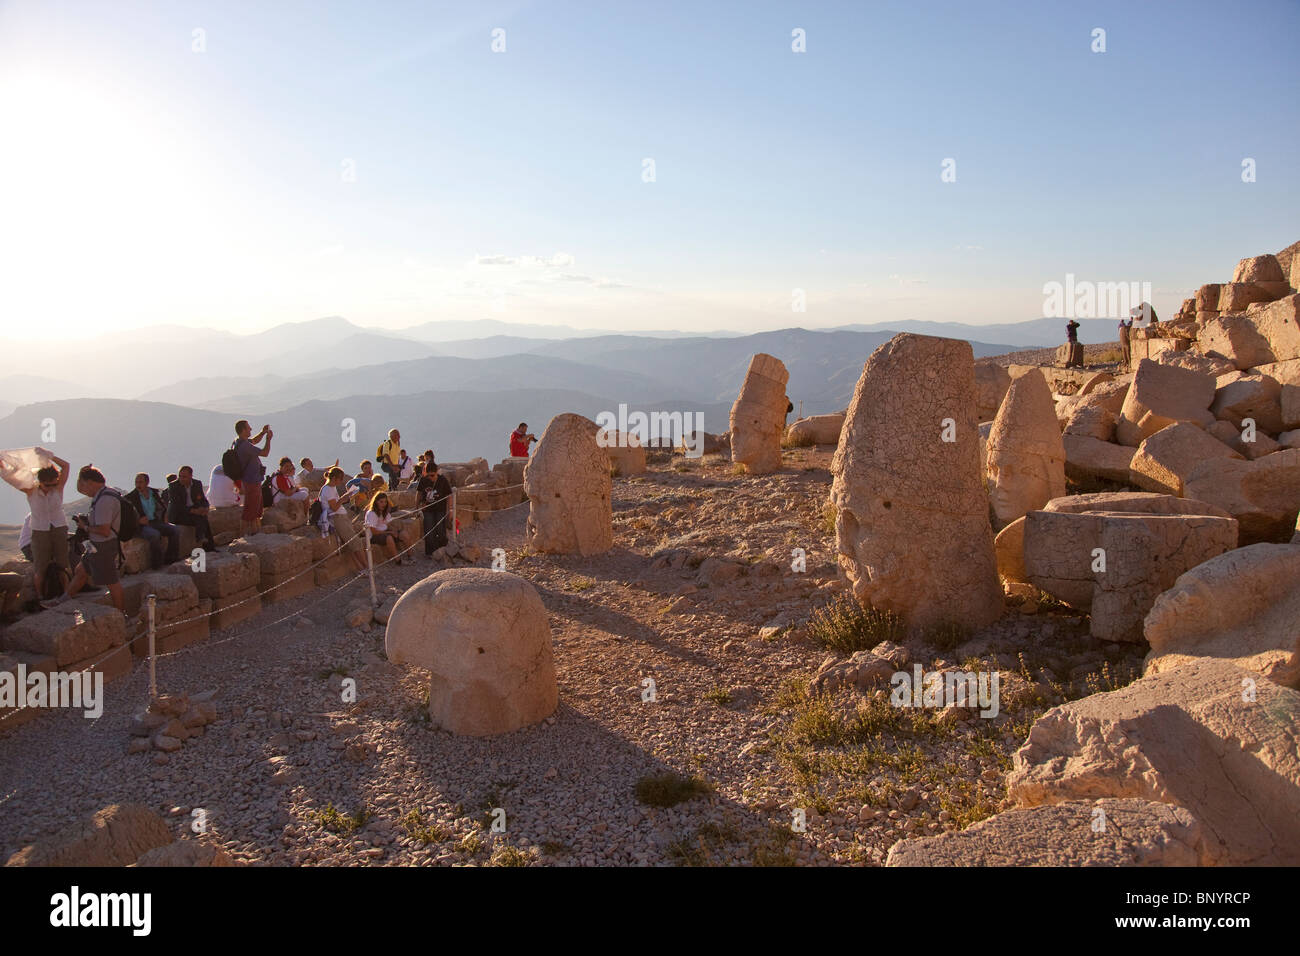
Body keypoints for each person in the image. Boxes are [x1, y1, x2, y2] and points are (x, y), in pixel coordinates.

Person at [49, 465, 125, 613]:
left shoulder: (104, 501)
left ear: (90, 482)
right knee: (81, 570)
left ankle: (122, 615)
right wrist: (80, 474)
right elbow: (81, 489)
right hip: (96, 545)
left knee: (111, 582)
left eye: (84, 484)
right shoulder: (105, 493)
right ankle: (62, 601)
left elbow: (104, 530)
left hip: (103, 546)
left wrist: (85, 527)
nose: (83, 489)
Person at [1, 446, 71, 600]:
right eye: (48, 485)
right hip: (39, 530)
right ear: (40, 482)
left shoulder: (59, 487)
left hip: (58, 527)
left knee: (62, 563)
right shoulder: (31, 490)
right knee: (41, 565)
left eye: (54, 484)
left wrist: (49, 456)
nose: (51, 488)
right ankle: (41, 597)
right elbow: (9, 477)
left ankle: (66, 593)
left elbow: (66, 466)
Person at [126, 472, 180, 569]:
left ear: (147, 482)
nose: (138, 485)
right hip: (141, 526)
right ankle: (157, 564)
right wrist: (138, 520)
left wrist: (164, 516)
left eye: (140, 482)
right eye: (136, 482)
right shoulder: (130, 498)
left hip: (155, 522)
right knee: (154, 535)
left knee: (175, 530)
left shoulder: (154, 493)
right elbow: (127, 517)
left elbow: (162, 507)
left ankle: (171, 558)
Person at [320, 467, 368, 572]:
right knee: (355, 542)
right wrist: (344, 498)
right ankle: (367, 567)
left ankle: (361, 568)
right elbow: (334, 507)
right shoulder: (328, 489)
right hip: (337, 517)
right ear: (334, 478)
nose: (342, 481)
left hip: (341, 516)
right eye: (341, 479)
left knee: (350, 544)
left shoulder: (331, 488)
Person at [232, 420, 273, 536]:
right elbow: (265, 453)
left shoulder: (238, 442)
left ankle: (256, 532)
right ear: (243, 430)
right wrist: (268, 439)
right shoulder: (244, 446)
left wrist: (262, 432)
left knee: (256, 507)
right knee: (250, 509)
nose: (250, 429)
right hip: (251, 480)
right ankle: (244, 535)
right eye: (249, 428)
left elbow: (254, 441)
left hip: (252, 479)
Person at [167, 465, 217, 552]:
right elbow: (177, 505)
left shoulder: (197, 484)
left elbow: (203, 499)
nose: (181, 479)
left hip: (193, 510)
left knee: (203, 517)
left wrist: (205, 508)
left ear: (191, 476)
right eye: (180, 476)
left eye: (184, 477)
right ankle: (202, 540)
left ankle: (207, 543)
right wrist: (194, 511)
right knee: (200, 518)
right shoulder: (173, 486)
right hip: (179, 514)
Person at [416, 459, 451, 558]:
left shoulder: (442, 480)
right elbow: (418, 493)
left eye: (433, 475)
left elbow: (449, 495)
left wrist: (450, 510)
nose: (430, 478)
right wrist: (416, 507)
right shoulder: (423, 480)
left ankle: (443, 550)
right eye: (428, 475)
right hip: (427, 509)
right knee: (429, 531)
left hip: (440, 509)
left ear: (437, 472)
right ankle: (431, 552)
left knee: (440, 530)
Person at [364, 490, 401, 566]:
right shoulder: (372, 513)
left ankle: (411, 556)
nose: (384, 504)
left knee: (404, 534)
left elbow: (388, 523)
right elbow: (374, 531)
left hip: (384, 531)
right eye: (381, 502)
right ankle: (398, 560)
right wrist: (390, 532)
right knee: (389, 538)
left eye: (385, 502)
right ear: (376, 502)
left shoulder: (384, 511)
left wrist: (394, 530)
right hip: (374, 536)